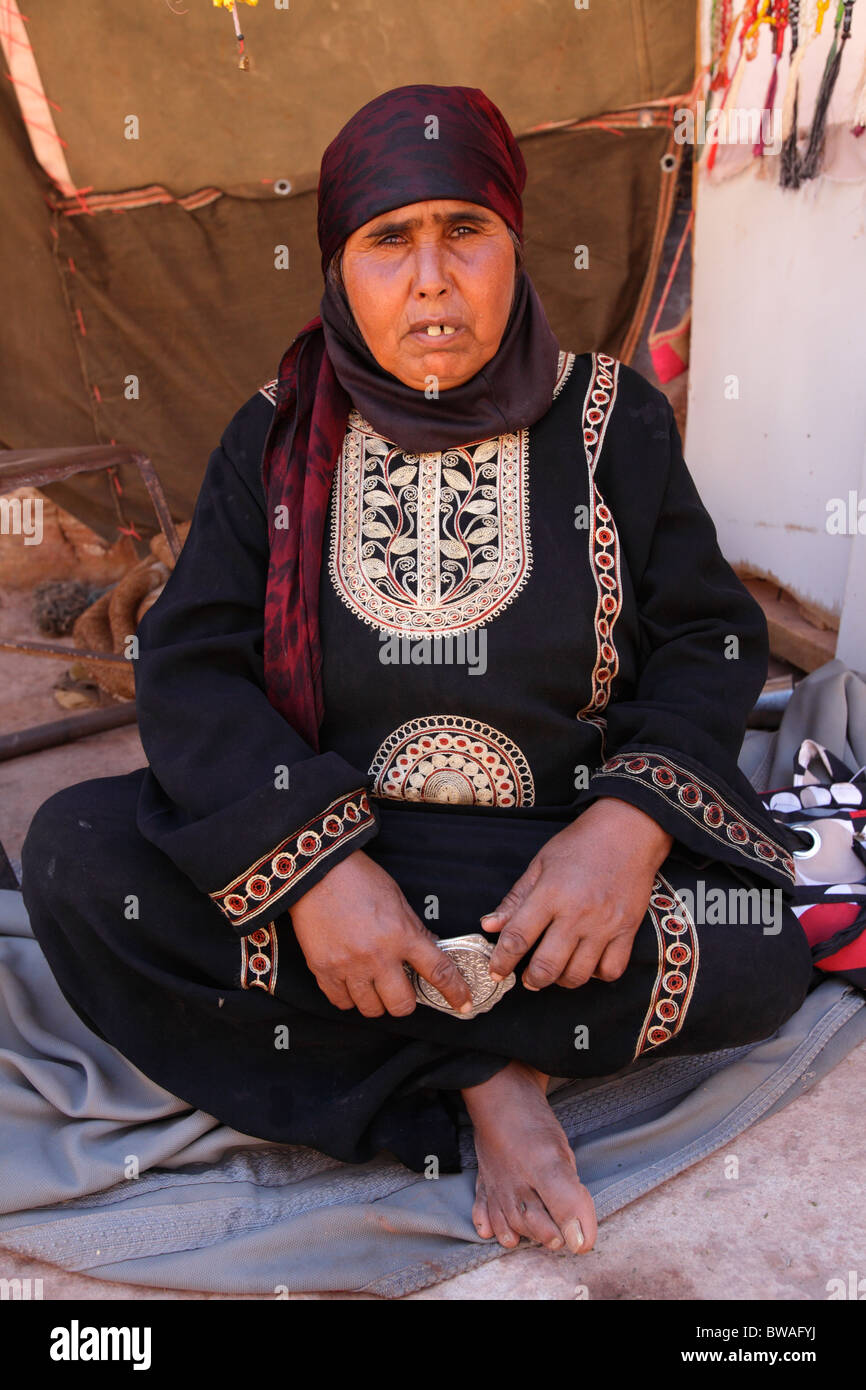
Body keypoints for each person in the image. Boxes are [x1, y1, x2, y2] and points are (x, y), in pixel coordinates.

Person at [21, 84, 814, 1259]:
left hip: (543, 881)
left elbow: (706, 640)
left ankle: (419, 1050)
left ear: (514, 245)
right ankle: (494, 1073)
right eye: (388, 240)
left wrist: (625, 833)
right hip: (345, 878)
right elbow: (190, 669)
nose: (431, 278)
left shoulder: (613, 421)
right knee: (78, 859)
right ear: (339, 268)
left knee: (752, 945)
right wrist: (316, 876)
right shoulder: (274, 435)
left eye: (465, 230)